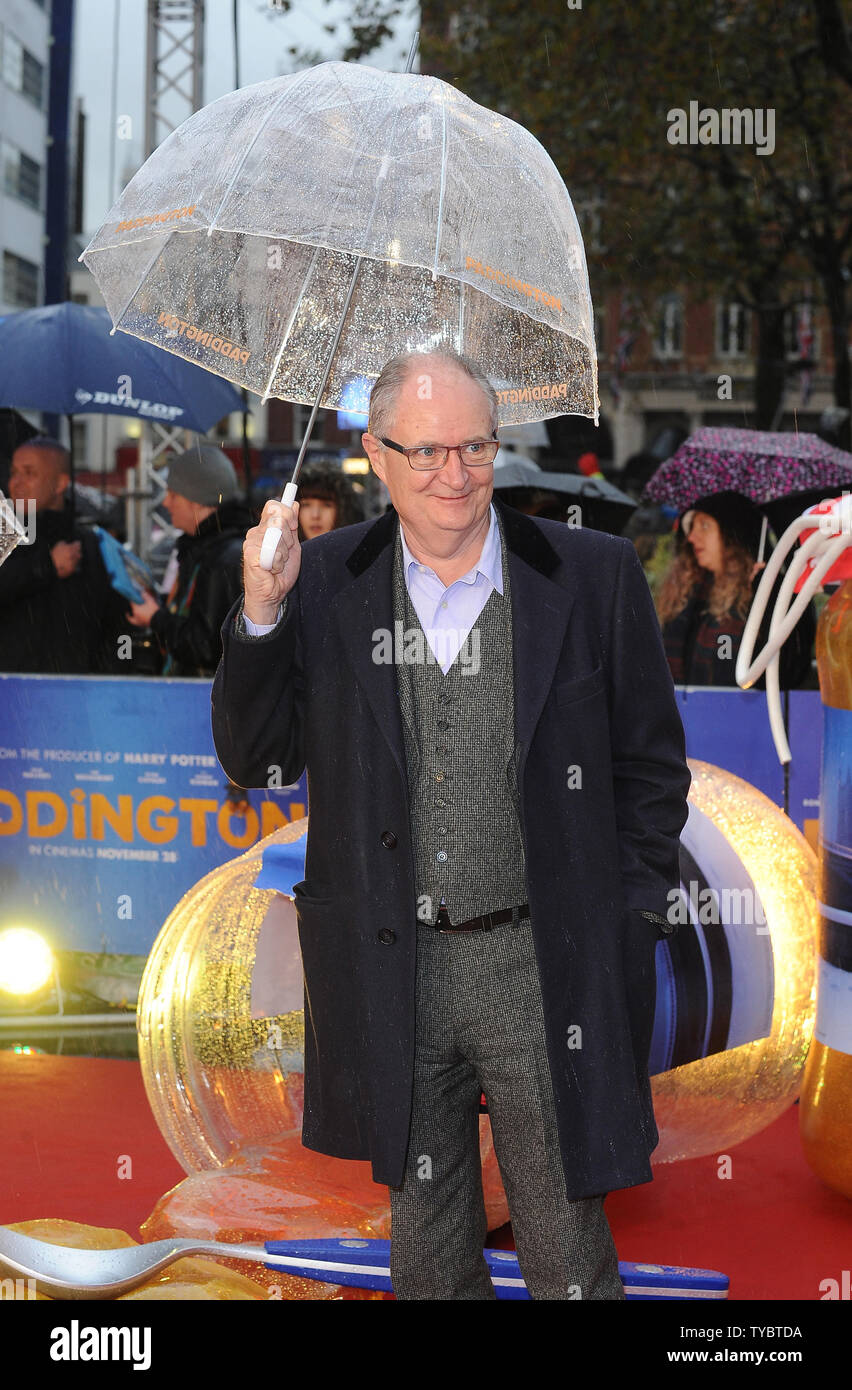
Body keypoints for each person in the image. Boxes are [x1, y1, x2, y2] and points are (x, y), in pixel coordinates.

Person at [211, 348, 691, 1301]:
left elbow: (650, 768)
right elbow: (254, 758)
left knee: (565, 1235)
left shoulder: (591, 576)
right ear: (376, 456)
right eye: (425, 451)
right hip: (395, 963)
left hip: (542, 960)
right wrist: (262, 611)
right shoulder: (323, 580)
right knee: (426, 1240)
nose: (455, 475)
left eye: (474, 446)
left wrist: (626, 912)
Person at [655, 490, 815, 687]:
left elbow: (783, 667)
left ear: (732, 535)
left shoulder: (766, 590)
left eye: (704, 526)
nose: (692, 538)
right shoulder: (690, 593)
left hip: (742, 713)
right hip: (686, 711)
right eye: (691, 528)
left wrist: (767, 595)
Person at [0, 437, 126, 674]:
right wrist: (46, 567)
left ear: (60, 483)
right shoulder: (3, 536)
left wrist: (111, 677)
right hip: (9, 694)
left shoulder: (91, 544)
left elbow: (118, 627)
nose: (16, 482)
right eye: (13, 472)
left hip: (74, 696)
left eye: (29, 473)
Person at [126, 443, 253, 676]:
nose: (165, 503)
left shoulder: (223, 558)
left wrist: (156, 618)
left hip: (200, 702)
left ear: (196, 500)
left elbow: (205, 647)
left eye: (173, 494)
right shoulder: (205, 548)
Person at [290, 459, 364, 541]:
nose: (315, 515)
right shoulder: (277, 551)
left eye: (326, 505)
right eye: (306, 505)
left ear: (343, 509)